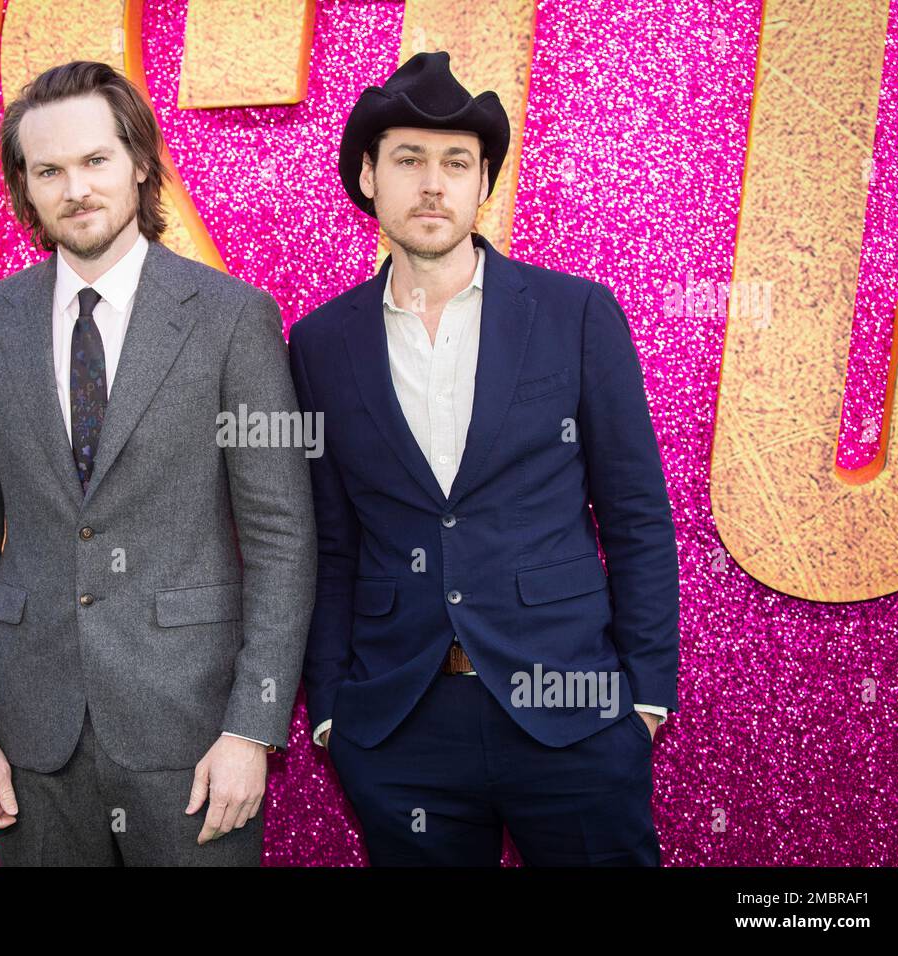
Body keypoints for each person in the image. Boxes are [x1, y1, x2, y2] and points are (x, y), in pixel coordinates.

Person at [288, 51, 680, 865]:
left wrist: (643, 699)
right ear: (368, 177)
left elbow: (637, 516)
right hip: (401, 728)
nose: (433, 184)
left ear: (482, 185)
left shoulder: (575, 314)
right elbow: (330, 540)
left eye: (456, 163)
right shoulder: (320, 343)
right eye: (409, 160)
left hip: (573, 714)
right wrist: (331, 710)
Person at [0, 61, 316, 866]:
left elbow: (281, 538)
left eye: (96, 161)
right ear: (24, 189)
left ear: (140, 161)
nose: (76, 188)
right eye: (49, 170)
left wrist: (252, 728)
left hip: (195, 733)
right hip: (31, 737)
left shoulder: (234, 319)